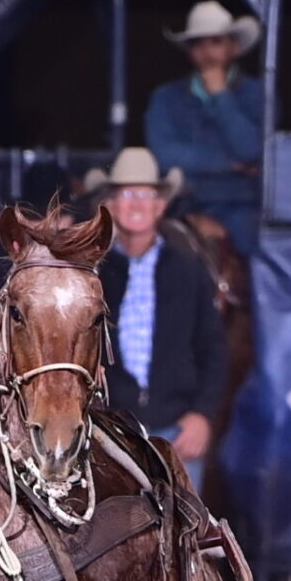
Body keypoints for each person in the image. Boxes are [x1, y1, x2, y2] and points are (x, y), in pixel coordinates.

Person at [97, 147, 227, 490]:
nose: (136, 203)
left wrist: (202, 414)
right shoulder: (97, 274)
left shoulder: (188, 270)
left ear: (160, 205)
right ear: (110, 205)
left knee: (181, 532)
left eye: (146, 194)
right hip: (112, 430)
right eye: (127, 194)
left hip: (176, 429)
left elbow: (213, 349)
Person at [145, 0, 264, 258]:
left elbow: (251, 149)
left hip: (241, 207)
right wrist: (230, 164)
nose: (206, 51)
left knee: (255, 257)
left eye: (216, 42)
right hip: (181, 203)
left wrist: (221, 96)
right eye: (198, 43)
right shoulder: (166, 97)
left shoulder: (258, 95)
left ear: (234, 47)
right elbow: (164, 154)